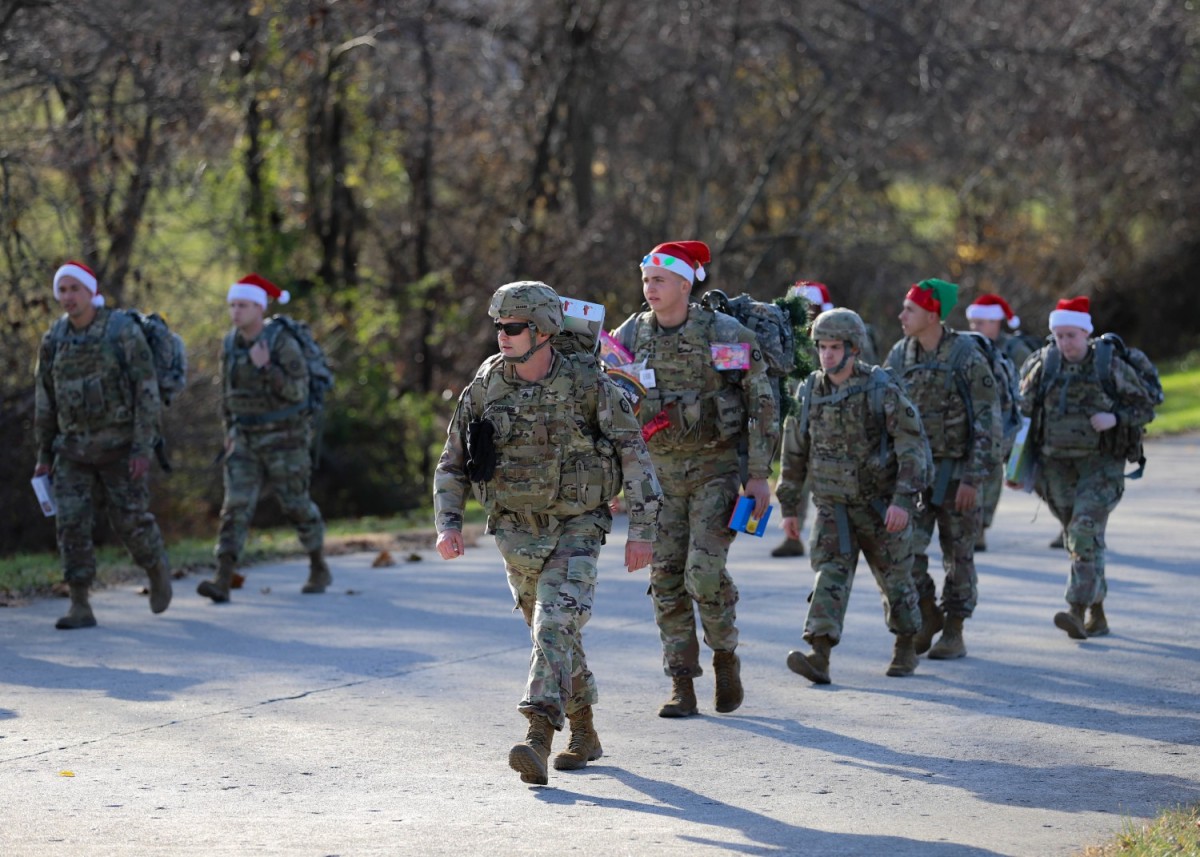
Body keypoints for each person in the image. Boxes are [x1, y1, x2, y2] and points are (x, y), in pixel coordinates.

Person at [434, 281, 661, 786]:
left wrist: (641, 530)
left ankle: (538, 735)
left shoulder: (588, 383)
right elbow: (452, 463)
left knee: (556, 624)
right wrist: (448, 523)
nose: (502, 336)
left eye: (513, 327)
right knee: (553, 635)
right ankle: (585, 730)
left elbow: (634, 455)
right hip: (515, 531)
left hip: (579, 524)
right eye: (498, 327)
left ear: (543, 331)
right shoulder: (487, 385)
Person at [611, 240, 778, 718]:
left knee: (701, 573)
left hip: (715, 471)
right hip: (660, 476)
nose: (649, 288)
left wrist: (760, 475)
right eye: (645, 279)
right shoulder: (632, 335)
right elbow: (612, 399)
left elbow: (760, 402)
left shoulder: (722, 334)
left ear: (685, 285)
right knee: (665, 579)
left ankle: (725, 654)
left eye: (659, 280)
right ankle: (681, 683)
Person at [778, 309, 930, 683]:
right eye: (821, 347)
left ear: (854, 349)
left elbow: (912, 446)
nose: (826, 355)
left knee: (895, 580)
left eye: (834, 348)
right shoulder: (810, 390)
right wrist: (790, 507)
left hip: (880, 506)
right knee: (829, 576)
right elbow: (794, 452)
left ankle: (906, 645)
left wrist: (903, 501)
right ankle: (820, 653)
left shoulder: (881, 388)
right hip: (832, 507)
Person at [33, 260, 173, 629]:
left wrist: (143, 448)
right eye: (61, 290)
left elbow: (146, 391)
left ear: (90, 290)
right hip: (72, 451)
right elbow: (45, 401)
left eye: (74, 289)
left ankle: (156, 567)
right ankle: (80, 603)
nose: (67, 297)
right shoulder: (54, 340)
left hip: (120, 448)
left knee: (130, 522)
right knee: (71, 525)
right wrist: (44, 456)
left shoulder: (121, 331)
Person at [1016, 297, 1156, 639]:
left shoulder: (1108, 366)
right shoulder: (1045, 365)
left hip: (1101, 464)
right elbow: (1021, 412)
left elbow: (1147, 405)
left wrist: (1116, 417)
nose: (1065, 343)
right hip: (1055, 468)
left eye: (1071, 335)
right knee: (1081, 539)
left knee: (1082, 531)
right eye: (1059, 336)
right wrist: (1016, 466)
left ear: (1086, 333)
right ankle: (1099, 612)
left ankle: (1075, 610)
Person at [197, 274, 330, 602]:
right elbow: (226, 393)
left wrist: (266, 367)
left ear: (259, 307)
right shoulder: (230, 343)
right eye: (232, 305)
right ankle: (222, 578)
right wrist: (229, 432)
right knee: (235, 506)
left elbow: (298, 391)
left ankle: (317, 564)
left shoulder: (281, 341)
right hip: (244, 437)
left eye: (242, 305)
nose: (235, 312)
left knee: (296, 504)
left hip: (284, 438)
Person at [885, 278, 999, 660]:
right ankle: (929, 612)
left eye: (909, 309)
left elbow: (988, 420)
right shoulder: (900, 356)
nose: (901, 316)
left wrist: (973, 477)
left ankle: (954, 629)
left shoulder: (966, 355)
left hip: (957, 476)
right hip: (914, 479)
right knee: (904, 552)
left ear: (932, 315)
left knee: (959, 554)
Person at [771, 280, 880, 559]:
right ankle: (793, 530)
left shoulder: (841, 332)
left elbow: (862, 369)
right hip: (804, 410)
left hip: (845, 417)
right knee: (795, 466)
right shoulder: (789, 336)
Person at [965, 293, 1037, 551]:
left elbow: (1031, 380)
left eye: (982, 322)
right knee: (981, 472)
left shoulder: (1014, 349)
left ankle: (981, 526)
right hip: (975, 421)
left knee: (1001, 473)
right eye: (973, 323)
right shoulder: (968, 346)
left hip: (1008, 422)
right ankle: (976, 527)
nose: (976, 328)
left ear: (997, 323)